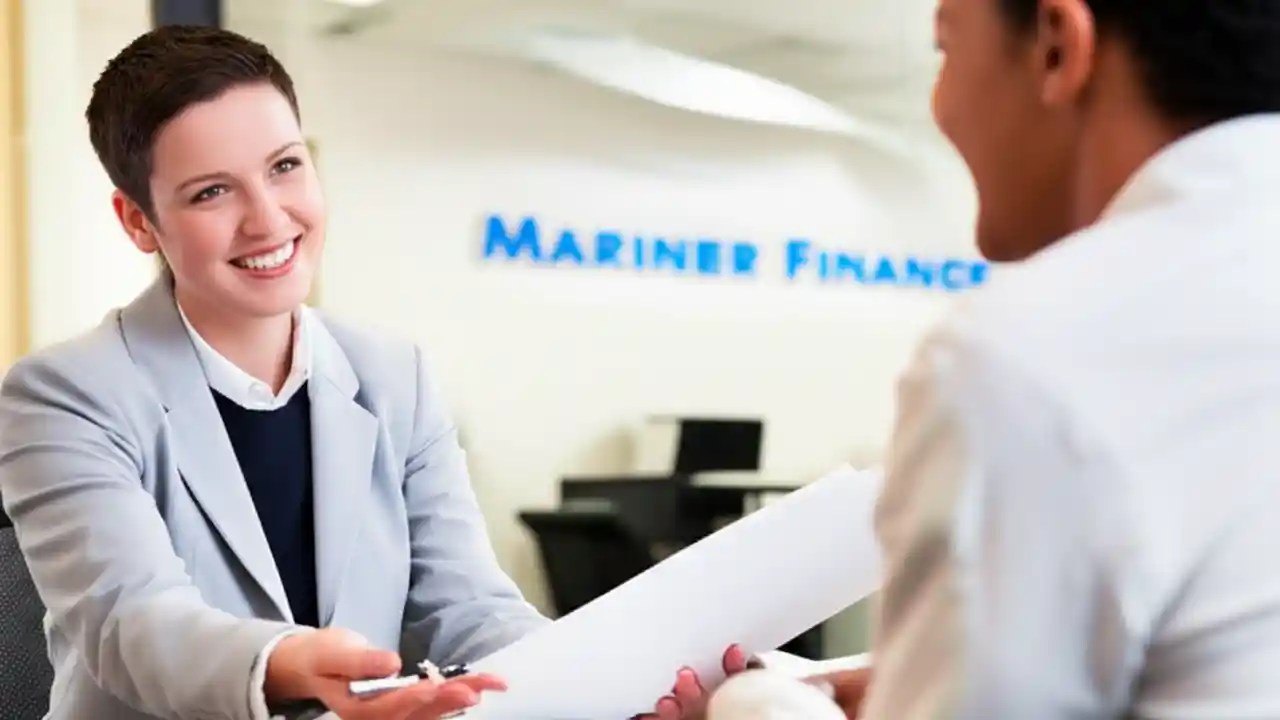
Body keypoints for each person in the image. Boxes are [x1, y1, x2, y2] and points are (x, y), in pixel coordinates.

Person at [655, 0, 1280, 717]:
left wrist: (758, 707)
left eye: (945, 49)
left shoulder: (1030, 354)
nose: (940, 102)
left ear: (1055, 45)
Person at [0, 25, 549, 720]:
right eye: (210, 193)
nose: (268, 219)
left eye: (285, 166)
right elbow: (131, 622)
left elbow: (469, 605)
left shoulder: (395, 377)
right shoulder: (65, 394)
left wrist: (599, 679)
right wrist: (289, 663)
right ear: (139, 222)